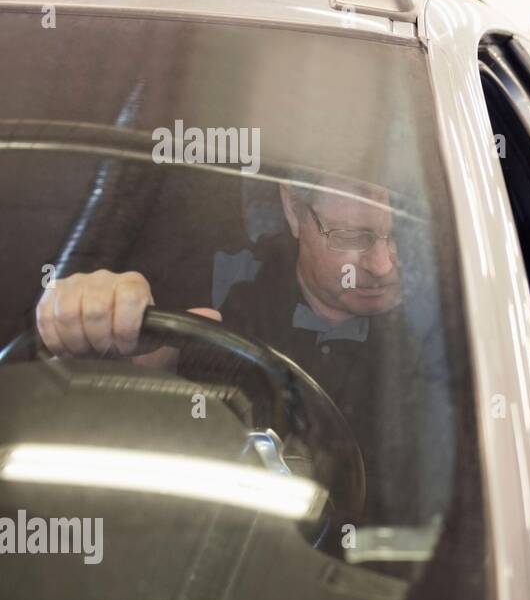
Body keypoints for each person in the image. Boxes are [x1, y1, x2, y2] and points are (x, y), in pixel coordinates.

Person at [35, 175, 418, 521]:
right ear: (294, 210)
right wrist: (106, 332)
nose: (383, 266)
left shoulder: (449, 338)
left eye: (403, 234)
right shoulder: (212, 278)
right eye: (352, 236)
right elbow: (122, 400)